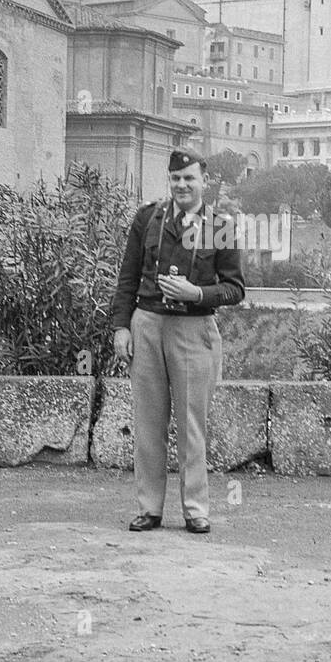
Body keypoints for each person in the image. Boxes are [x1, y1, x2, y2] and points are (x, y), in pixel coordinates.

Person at [110, 149, 245, 534]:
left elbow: (235, 289)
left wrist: (196, 293)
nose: (182, 185)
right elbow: (127, 279)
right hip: (148, 325)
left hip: (193, 329)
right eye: (176, 179)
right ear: (169, 182)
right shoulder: (147, 219)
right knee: (148, 423)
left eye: (189, 178)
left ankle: (195, 509)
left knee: (191, 424)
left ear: (204, 181)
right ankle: (149, 508)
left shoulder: (219, 225)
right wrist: (121, 327)